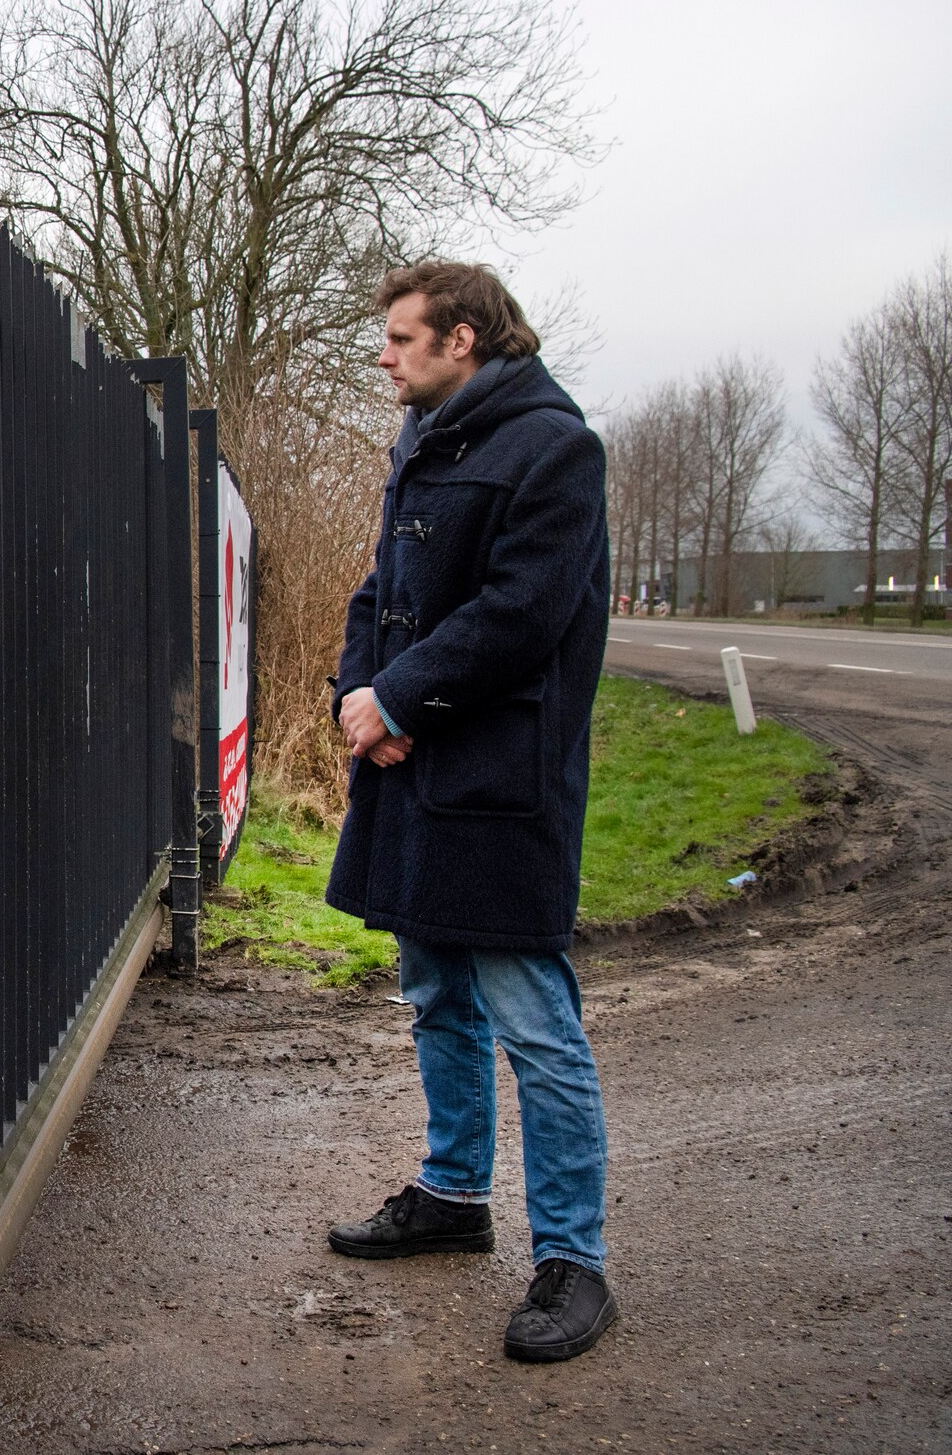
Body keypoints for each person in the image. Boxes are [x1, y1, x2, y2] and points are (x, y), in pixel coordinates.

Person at [323, 261, 617, 1365]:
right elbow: (374, 593)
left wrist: (398, 696)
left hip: (495, 782)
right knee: (435, 992)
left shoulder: (552, 447)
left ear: (461, 338)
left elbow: (522, 614)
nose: (384, 358)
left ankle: (573, 1262)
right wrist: (360, 697)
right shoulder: (426, 438)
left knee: (533, 1020)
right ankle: (451, 1195)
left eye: (399, 339)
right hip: (411, 768)